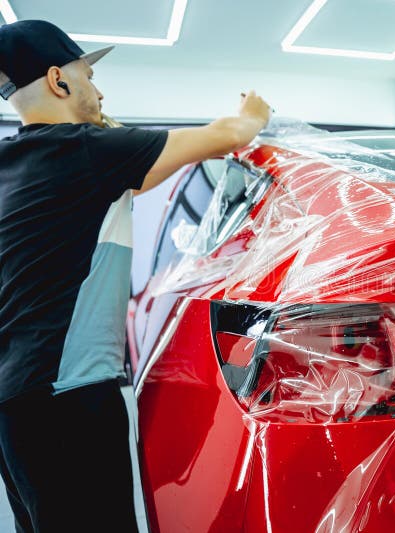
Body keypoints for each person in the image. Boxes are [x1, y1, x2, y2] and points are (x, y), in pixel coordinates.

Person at [0, 19, 272, 532]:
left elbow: (131, 176)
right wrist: (254, 112)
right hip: (69, 401)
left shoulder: (18, 160)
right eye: (89, 77)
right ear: (60, 81)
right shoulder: (86, 154)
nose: (99, 91)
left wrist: (95, 117)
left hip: (16, 405)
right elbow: (230, 136)